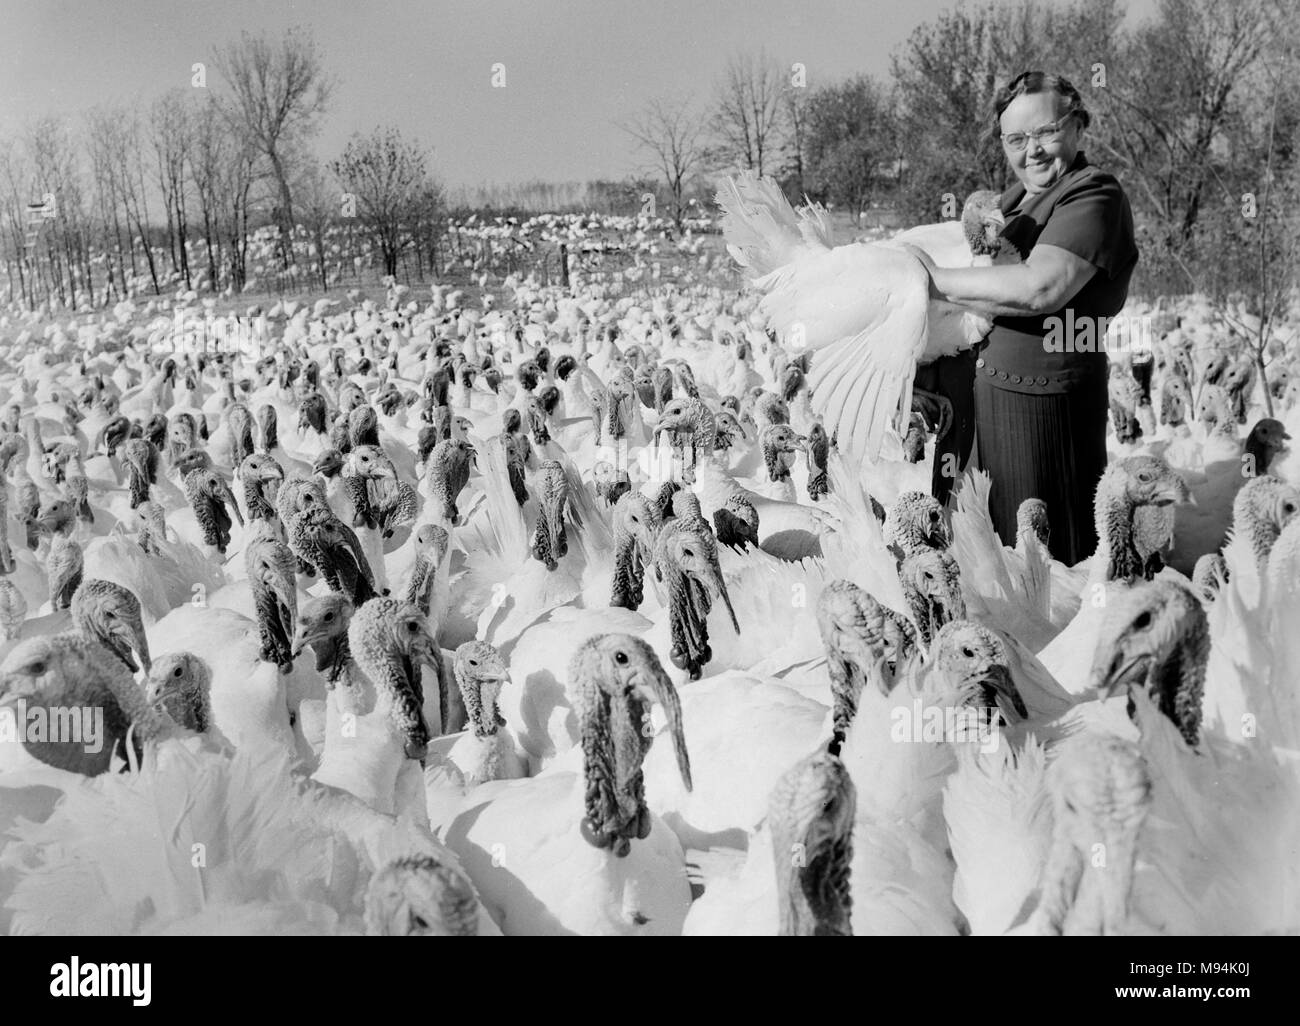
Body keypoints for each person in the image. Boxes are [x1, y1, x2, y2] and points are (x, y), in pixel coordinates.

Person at [908, 71, 1139, 565]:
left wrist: (927, 282)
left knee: (1044, 563)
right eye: (1015, 139)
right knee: (978, 565)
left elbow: (1040, 288)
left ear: (1078, 126)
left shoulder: (1094, 193)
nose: (1031, 150)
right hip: (976, 410)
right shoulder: (1010, 201)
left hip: (1044, 414)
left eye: (1045, 132)